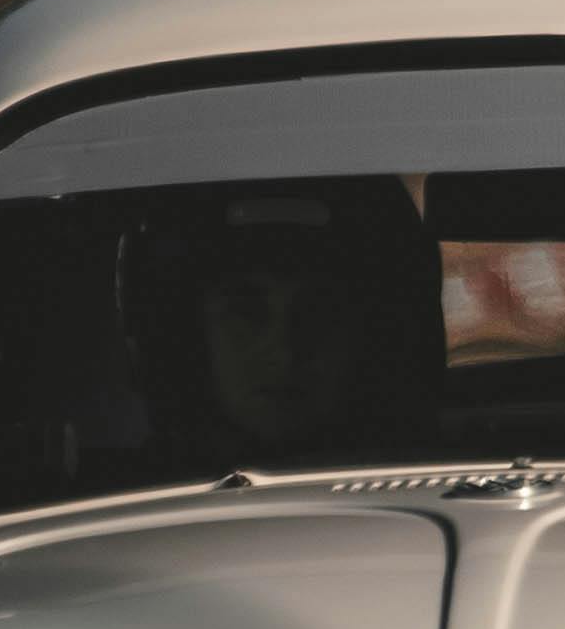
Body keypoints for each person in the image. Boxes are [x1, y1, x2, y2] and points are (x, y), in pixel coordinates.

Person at [117, 180, 444, 466]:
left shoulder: (437, 478)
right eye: (245, 312)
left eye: (317, 314)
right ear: (190, 336)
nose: (285, 352)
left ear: (369, 336)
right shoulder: (111, 511)